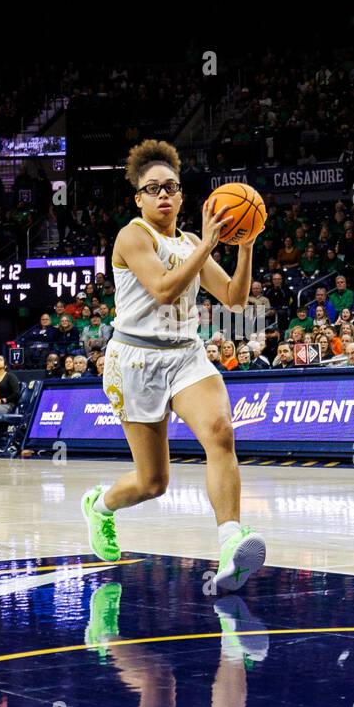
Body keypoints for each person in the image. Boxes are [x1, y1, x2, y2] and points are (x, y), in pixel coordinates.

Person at [83, 139, 266, 594]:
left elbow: (236, 299)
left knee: (220, 430)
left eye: (171, 186)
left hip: (186, 354)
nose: (163, 194)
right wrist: (208, 245)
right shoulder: (133, 236)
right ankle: (100, 507)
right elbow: (163, 289)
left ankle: (230, 541)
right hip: (135, 360)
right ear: (139, 198)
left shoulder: (188, 242)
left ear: (183, 196)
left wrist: (244, 245)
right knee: (153, 482)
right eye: (153, 188)